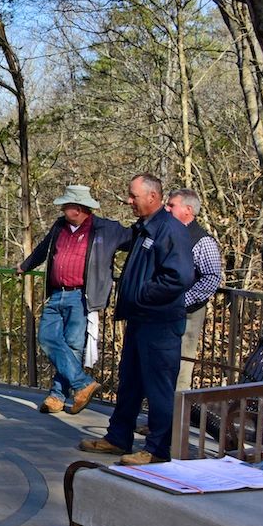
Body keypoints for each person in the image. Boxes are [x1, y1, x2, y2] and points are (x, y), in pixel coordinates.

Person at [80, 174, 194, 466]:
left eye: (133, 196)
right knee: (130, 382)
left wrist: (142, 295)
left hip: (159, 322)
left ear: (153, 197)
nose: (128, 201)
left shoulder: (170, 230)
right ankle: (118, 437)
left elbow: (179, 277)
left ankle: (157, 449)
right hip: (139, 321)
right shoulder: (145, 228)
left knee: (158, 388)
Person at [14, 185, 131, 414]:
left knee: (73, 346)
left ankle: (57, 396)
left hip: (81, 295)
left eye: (65, 206)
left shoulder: (104, 228)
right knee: (47, 338)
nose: (62, 209)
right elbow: (43, 249)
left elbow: (134, 239)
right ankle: (82, 384)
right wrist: (25, 266)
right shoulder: (60, 226)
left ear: (77, 208)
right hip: (57, 292)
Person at [166, 188, 224, 392]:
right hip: (164, 310)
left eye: (172, 205)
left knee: (181, 365)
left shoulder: (202, 240)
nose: (166, 208)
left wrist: (183, 300)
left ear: (188, 209)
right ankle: (160, 418)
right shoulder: (168, 232)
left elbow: (212, 277)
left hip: (187, 312)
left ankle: (174, 420)